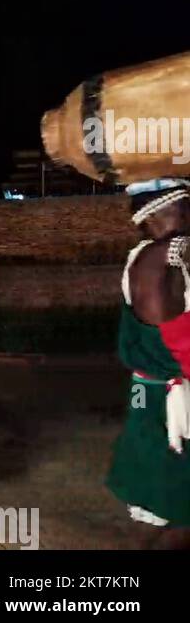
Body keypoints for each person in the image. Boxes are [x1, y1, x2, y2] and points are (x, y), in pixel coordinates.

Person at [107, 179, 190, 549]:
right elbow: (179, 346)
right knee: (177, 516)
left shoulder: (150, 257)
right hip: (167, 401)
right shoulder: (156, 261)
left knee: (158, 508)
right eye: (187, 207)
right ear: (165, 211)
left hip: (153, 395)